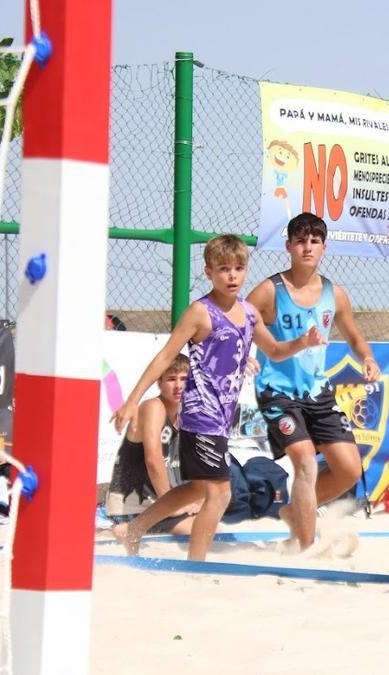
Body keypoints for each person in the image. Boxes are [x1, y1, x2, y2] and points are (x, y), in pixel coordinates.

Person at [111, 234, 324, 561]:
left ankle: (134, 530)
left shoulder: (250, 313)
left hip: (221, 420)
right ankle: (195, 565)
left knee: (198, 489)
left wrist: (302, 343)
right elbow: (166, 356)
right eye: (224, 269)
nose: (233, 276)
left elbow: (276, 351)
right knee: (220, 495)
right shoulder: (201, 312)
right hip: (200, 416)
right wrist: (131, 400)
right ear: (209, 272)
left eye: (239, 268)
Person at [246, 212, 378, 553]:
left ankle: (295, 511)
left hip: (317, 391)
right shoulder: (269, 290)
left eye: (314, 241)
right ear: (288, 246)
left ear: (324, 247)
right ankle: (306, 548)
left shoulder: (334, 294)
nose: (307, 247)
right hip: (277, 392)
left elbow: (354, 335)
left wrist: (368, 358)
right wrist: (243, 352)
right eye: (301, 241)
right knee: (304, 461)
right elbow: (238, 322)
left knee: (348, 470)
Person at [105, 354, 195, 535]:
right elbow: (153, 460)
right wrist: (173, 505)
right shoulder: (153, 407)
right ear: (159, 383)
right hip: (134, 507)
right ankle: (115, 533)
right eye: (171, 379)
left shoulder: (186, 414)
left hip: (159, 505)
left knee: (212, 517)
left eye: (184, 379)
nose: (178, 386)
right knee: (200, 529)